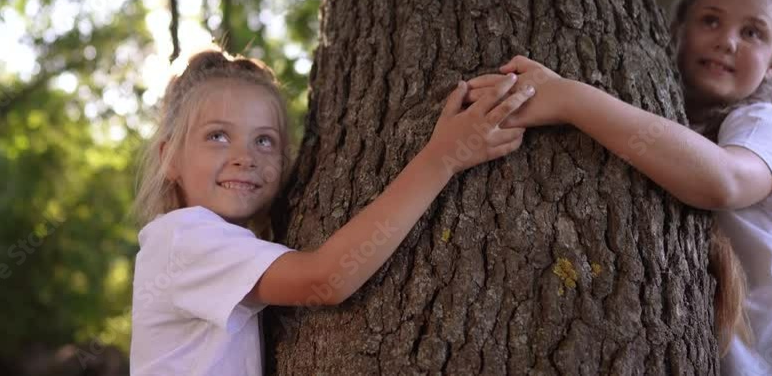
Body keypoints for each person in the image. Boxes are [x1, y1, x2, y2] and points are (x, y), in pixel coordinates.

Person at [467, 0, 772, 374]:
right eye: (710, 21)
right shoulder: (665, 123)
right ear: (678, 32)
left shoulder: (762, 123)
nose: (727, 41)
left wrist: (570, 99)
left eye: (752, 32)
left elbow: (722, 181)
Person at [129, 48, 534, 375]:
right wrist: (443, 156)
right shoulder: (184, 236)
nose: (245, 157)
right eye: (217, 136)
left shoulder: (211, 244)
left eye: (265, 141)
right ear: (170, 159)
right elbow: (326, 278)